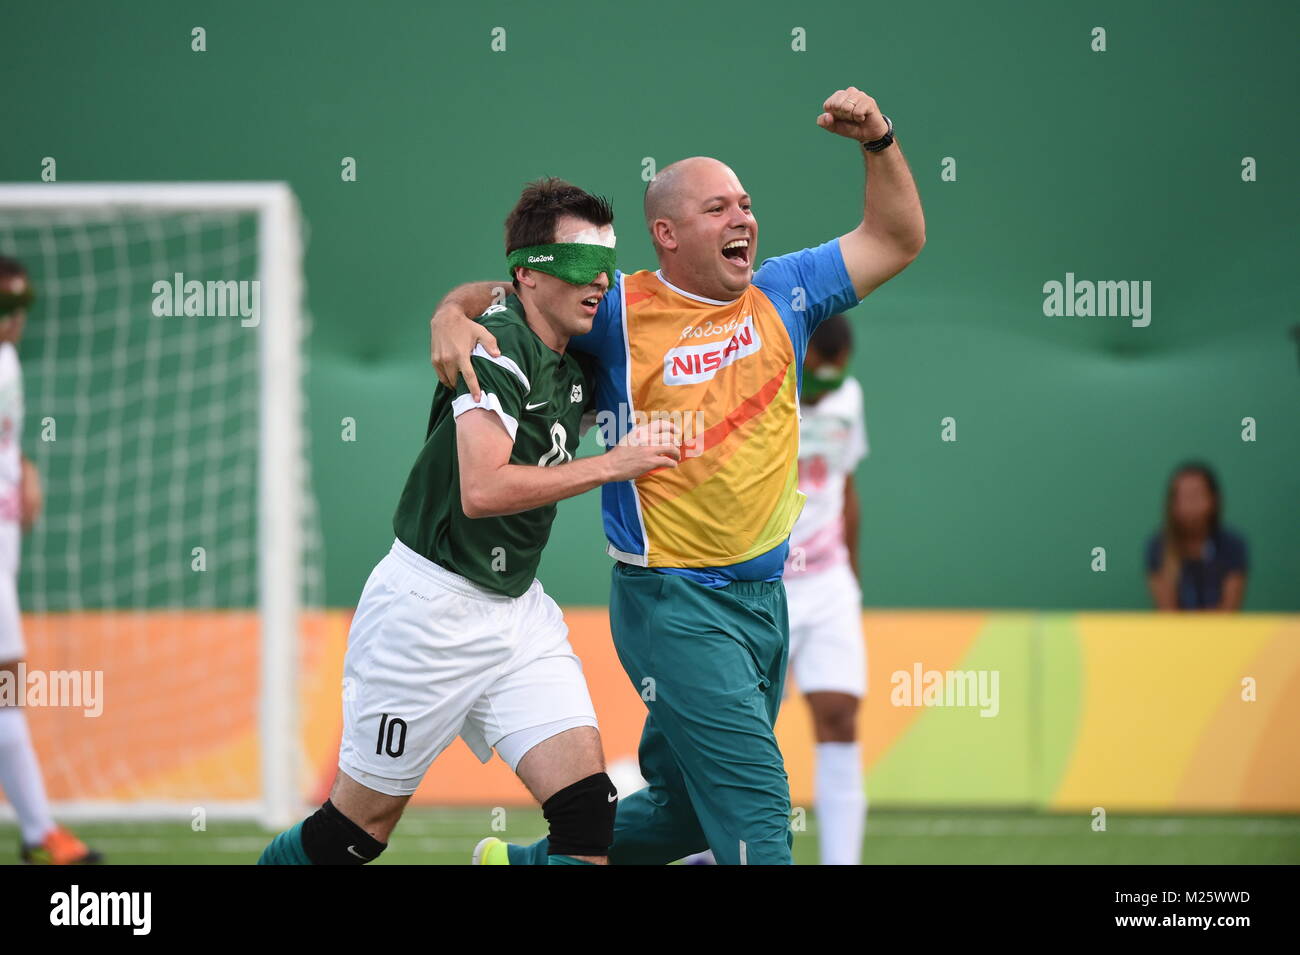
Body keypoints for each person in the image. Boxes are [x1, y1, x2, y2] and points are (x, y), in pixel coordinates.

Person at [434, 87, 925, 865]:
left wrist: (879, 142)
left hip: (766, 600)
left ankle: (524, 864)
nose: (743, 219)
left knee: (687, 816)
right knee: (761, 812)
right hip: (675, 602)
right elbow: (505, 292)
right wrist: (449, 315)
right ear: (665, 233)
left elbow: (896, 238)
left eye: (747, 204)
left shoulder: (784, 290)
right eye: (718, 208)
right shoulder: (616, 312)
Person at [259, 179, 680, 865]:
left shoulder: (575, 348)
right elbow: (483, 489)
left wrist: (449, 305)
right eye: (580, 263)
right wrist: (613, 464)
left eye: (608, 262)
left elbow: (481, 288)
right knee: (354, 834)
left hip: (517, 615)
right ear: (531, 274)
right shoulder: (497, 345)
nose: (601, 279)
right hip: (428, 614)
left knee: (586, 812)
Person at [0, 256, 103, 864]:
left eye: (22, 306)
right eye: (4, 307)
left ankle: (38, 828)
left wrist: (23, 469)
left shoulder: (8, 363)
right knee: (6, 689)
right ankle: (41, 831)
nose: (16, 320)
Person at [783, 313, 868, 865]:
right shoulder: (763, 394)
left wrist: (853, 579)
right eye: (816, 374)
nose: (825, 386)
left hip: (830, 580)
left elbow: (847, 483)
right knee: (739, 731)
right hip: (764, 585)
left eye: (834, 375)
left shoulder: (850, 398)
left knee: (839, 713)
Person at [1145, 462, 1248, 611]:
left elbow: (1229, 611)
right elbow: (1167, 612)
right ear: (1172, 504)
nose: (1190, 505)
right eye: (1183, 497)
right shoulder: (1159, 546)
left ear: (1213, 500)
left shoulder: (1232, 545)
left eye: (1196, 496)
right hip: (1175, 633)